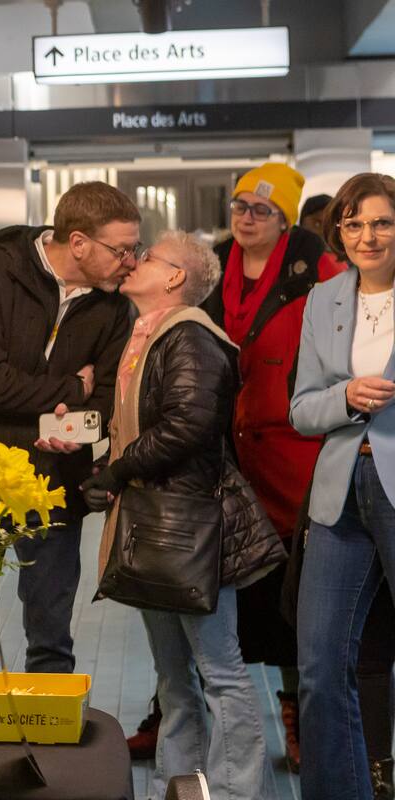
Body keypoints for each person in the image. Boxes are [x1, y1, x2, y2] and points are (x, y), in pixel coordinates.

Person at [81, 230, 282, 800]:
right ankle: (184, 784)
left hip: (189, 529)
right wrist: (104, 464)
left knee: (221, 672)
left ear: (174, 278)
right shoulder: (144, 336)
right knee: (174, 678)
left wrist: (117, 472)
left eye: (146, 256)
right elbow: (144, 424)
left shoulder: (190, 335)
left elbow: (187, 427)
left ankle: (237, 792)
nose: (132, 262)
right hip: (157, 526)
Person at [0, 181, 134, 673]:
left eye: (134, 249)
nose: (130, 260)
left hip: (55, 478)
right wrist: (72, 390)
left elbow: (105, 397)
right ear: (78, 242)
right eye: (121, 249)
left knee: (51, 628)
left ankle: (52, 744)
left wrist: (79, 423)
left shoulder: (113, 307)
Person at [199, 163, 343, 771]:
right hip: (226, 457)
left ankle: (299, 720)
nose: (248, 217)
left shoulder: (316, 267)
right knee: (215, 590)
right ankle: (181, 716)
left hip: (292, 457)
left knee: (293, 600)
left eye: (262, 209)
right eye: (240, 206)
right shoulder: (214, 265)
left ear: (284, 218)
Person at [290, 172, 395, 800]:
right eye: (353, 223)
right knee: (321, 671)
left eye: (381, 221)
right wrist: (347, 398)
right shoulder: (323, 299)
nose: (367, 235)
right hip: (338, 495)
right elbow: (302, 409)